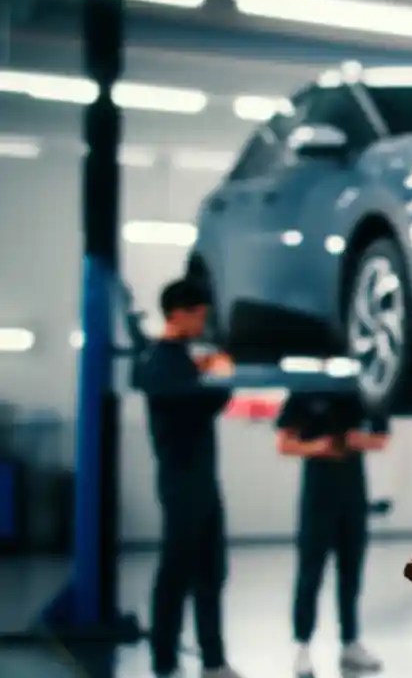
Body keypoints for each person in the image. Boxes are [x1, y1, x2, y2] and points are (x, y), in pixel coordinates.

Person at [135, 278, 243, 678]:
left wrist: (213, 374)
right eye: (199, 316)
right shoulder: (157, 360)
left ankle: (213, 661)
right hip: (180, 482)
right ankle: (164, 662)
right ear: (179, 313)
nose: (203, 323)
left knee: (211, 571)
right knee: (176, 572)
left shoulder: (182, 358)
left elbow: (201, 398)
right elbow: (195, 401)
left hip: (203, 481)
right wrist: (220, 377)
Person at [276, 391, 389, 677]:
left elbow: (381, 438)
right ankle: (301, 646)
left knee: (351, 572)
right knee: (310, 572)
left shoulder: (364, 394)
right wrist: (318, 447)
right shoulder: (304, 392)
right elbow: (284, 443)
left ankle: (350, 643)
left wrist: (356, 441)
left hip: (352, 495)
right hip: (317, 495)